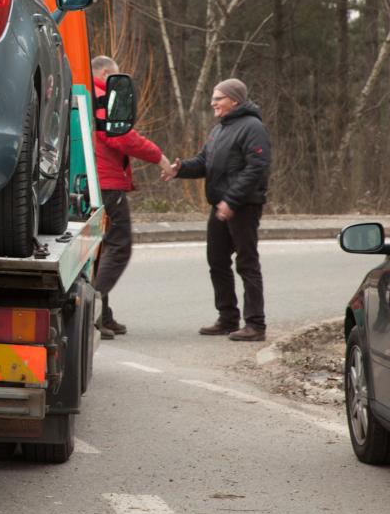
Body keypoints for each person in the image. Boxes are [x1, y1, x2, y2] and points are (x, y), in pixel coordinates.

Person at [162, 78, 271, 341]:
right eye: (213, 98)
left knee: (247, 263)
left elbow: (257, 167)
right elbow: (204, 161)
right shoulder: (220, 129)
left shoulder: (253, 127)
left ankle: (255, 325)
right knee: (217, 261)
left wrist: (232, 201)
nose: (213, 103)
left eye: (218, 98)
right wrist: (180, 170)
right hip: (220, 207)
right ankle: (228, 318)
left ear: (234, 100)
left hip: (242, 207)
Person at [90, 56, 171, 340]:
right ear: (104, 73)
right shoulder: (102, 96)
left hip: (88, 182)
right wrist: (159, 157)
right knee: (119, 246)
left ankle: (104, 315)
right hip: (107, 184)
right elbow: (122, 137)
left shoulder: (83, 94)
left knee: (98, 251)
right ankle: (94, 309)